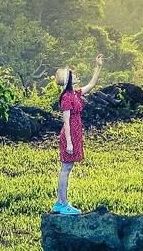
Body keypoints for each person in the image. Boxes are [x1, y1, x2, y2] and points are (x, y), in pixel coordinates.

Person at [52, 53, 103, 215]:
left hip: (75, 134)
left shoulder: (75, 93)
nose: (76, 76)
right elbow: (66, 121)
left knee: (67, 167)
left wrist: (98, 67)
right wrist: (69, 142)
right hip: (70, 135)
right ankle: (61, 203)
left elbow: (92, 84)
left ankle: (61, 202)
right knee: (66, 168)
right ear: (68, 80)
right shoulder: (67, 97)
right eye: (73, 75)